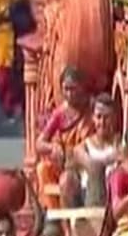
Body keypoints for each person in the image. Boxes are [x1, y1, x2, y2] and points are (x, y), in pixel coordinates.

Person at [35, 66, 94, 212]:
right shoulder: (60, 114)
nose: (69, 94)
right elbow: (39, 143)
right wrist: (52, 147)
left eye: (73, 88)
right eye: (66, 89)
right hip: (65, 162)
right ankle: (55, 218)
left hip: (87, 161)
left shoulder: (92, 109)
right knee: (42, 169)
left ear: (81, 88)